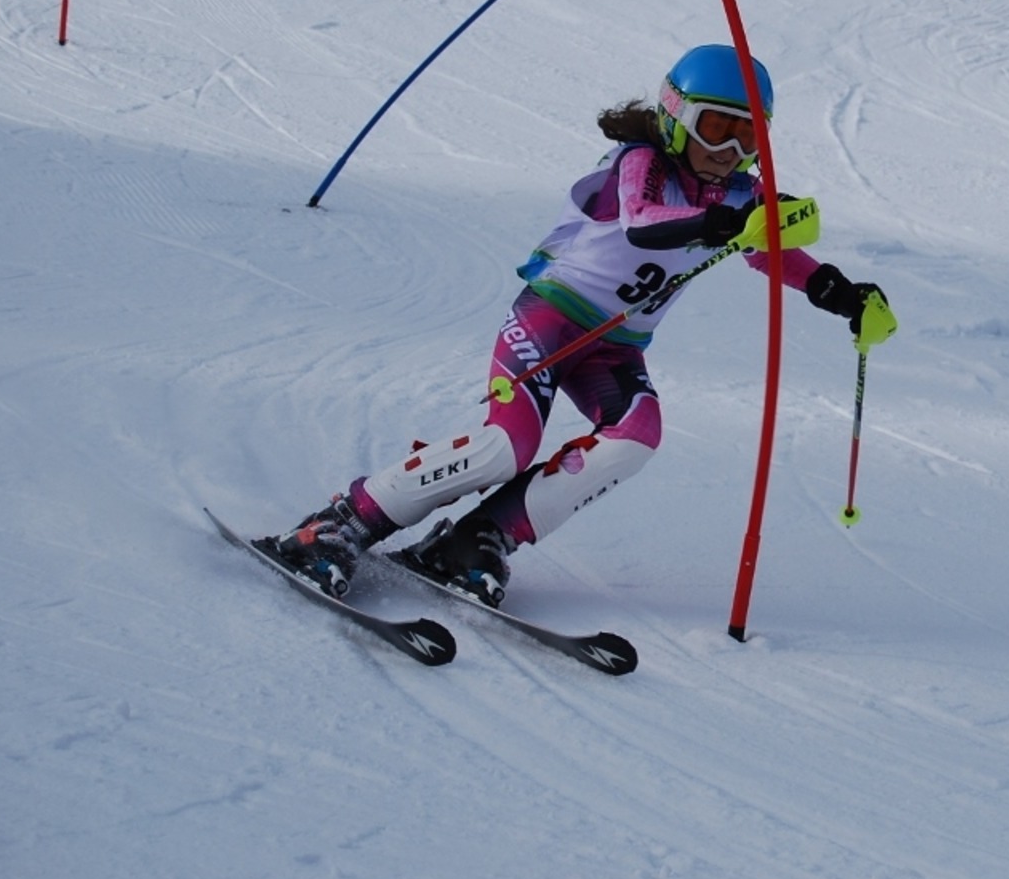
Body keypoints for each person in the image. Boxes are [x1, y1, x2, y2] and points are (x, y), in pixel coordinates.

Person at [264, 43, 893, 605]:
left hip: (615, 347)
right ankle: (340, 523)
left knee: (635, 435)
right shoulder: (640, 161)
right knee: (508, 446)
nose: (727, 152)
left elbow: (773, 251)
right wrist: (724, 225)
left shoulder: (739, 195)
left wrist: (841, 295)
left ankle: (478, 539)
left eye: (747, 138)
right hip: (551, 318)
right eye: (715, 128)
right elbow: (640, 222)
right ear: (676, 115)